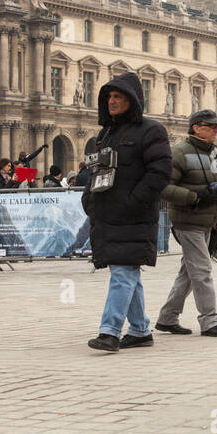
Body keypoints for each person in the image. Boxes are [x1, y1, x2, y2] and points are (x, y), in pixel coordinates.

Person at [82, 72, 173, 352]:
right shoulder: (106, 133)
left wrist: (134, 201)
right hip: (108, 213)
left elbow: (160, 173)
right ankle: (140, 329)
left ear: (132, 100)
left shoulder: (151, 130)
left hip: (134, 215)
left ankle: (109, 331)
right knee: (126, 269)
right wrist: (89, 199)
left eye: (118, 96)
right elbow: (97, 170)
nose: (112, 101)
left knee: (123, 271)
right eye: (109, 96)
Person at [155, 109, 217, 337]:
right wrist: (196, 196)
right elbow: (164, 187)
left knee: (189, 272)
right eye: (212, 126)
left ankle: (167, 318)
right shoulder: (179, 152)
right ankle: (210, 321)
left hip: (208, 220)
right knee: (202, 270)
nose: (216, 130)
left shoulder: (215, 154)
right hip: (187, 220)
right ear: (197, 128)